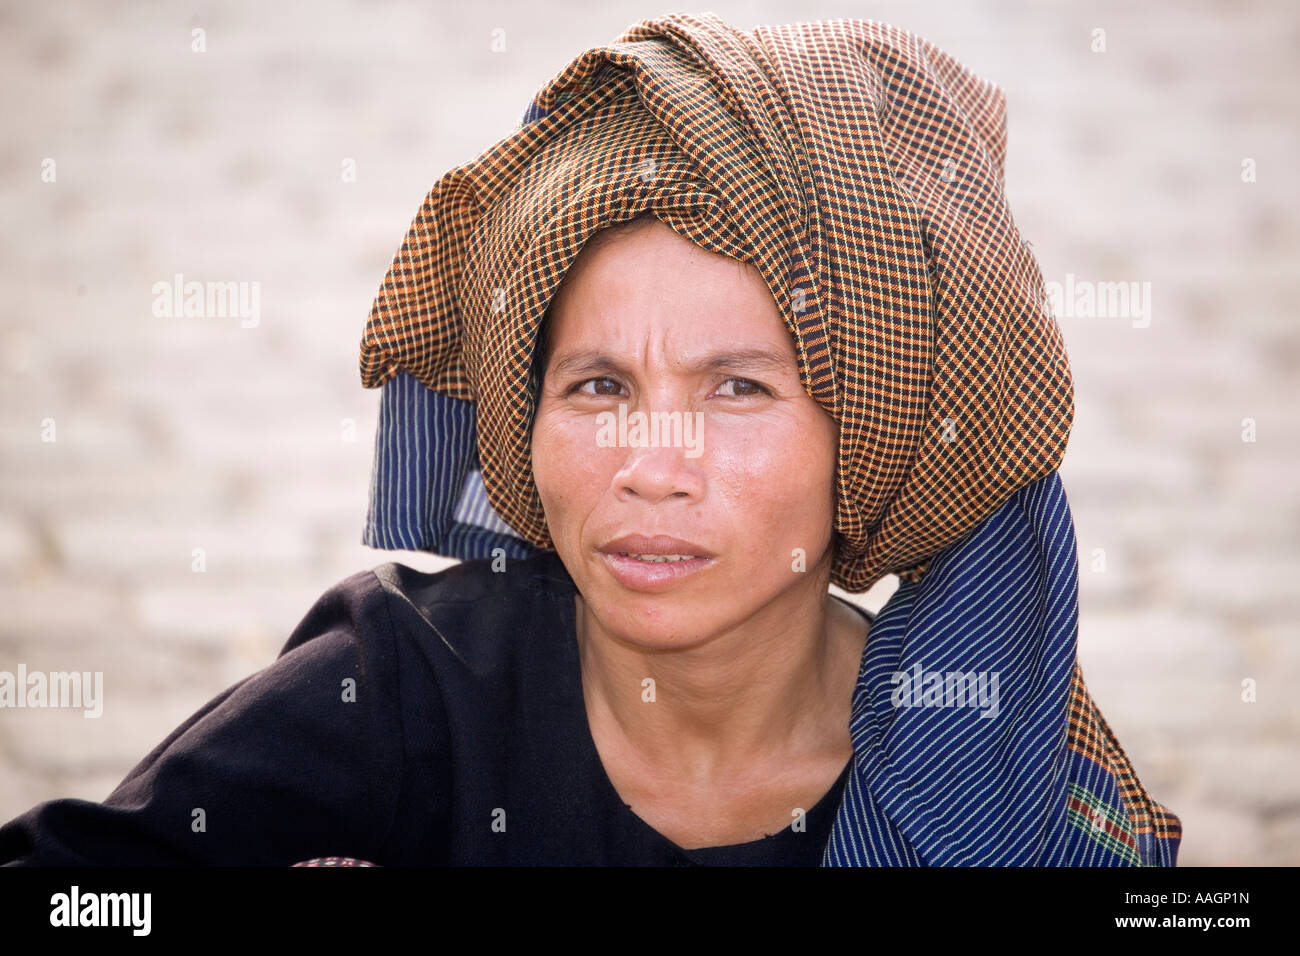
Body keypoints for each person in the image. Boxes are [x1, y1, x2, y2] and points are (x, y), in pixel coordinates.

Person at [0, 12, 1180, 866]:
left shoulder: (990, 776)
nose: (649, 465)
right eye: (599, 383)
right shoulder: (409, 686)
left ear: (870, 439)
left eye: (737, 390)